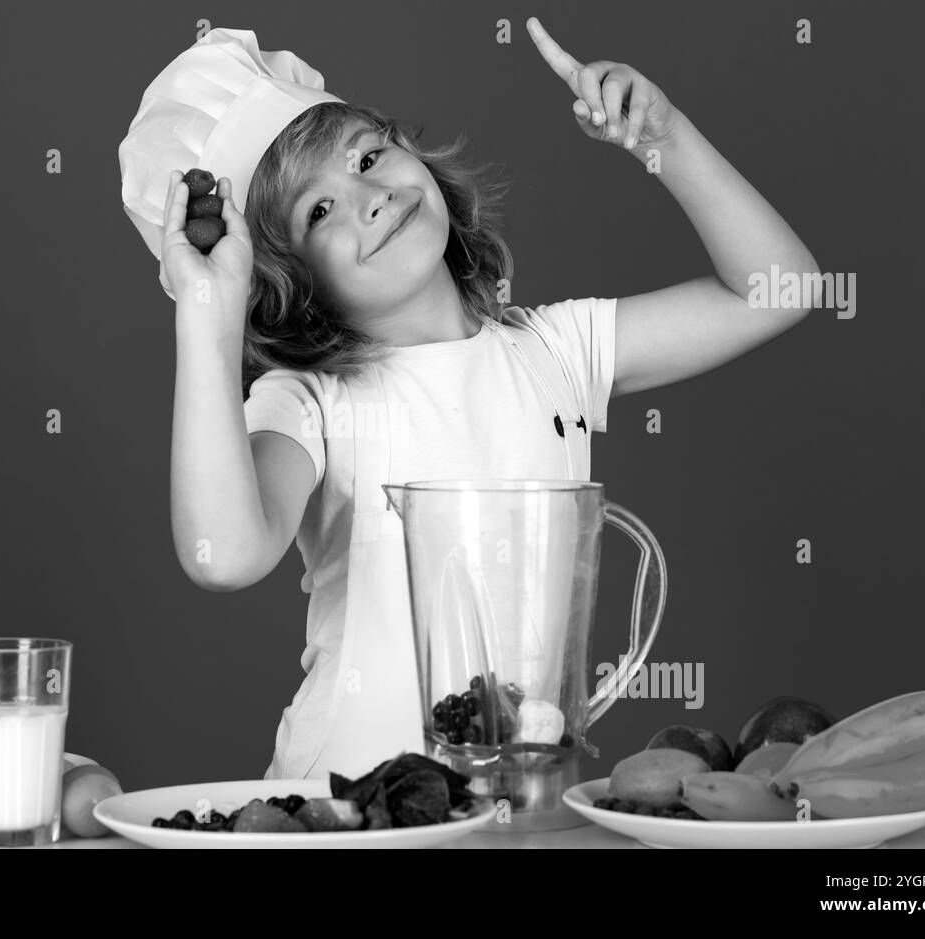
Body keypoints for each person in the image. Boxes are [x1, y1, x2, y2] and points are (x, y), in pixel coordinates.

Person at [118, 23, 819, 781]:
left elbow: (780, 290)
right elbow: (224, 553)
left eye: (369, 155)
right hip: (346, 818)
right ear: (290, 285)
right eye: (318, 212)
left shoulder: (556, 349)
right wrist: (207, 312)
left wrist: (666, 139)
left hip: (519, 810)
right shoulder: (310, 403)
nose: (370, 198)